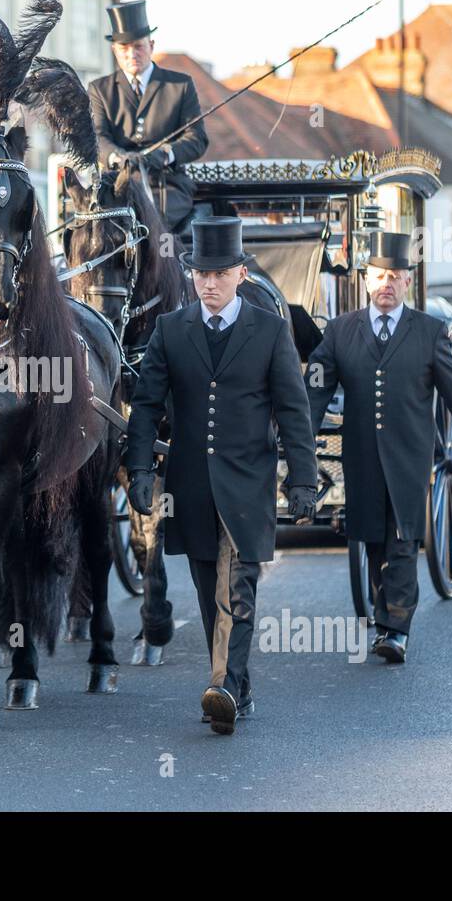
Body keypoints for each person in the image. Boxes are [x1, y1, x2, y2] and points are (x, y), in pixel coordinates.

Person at [124, 217, 318, 735]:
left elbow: (294, 410)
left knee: (237, 589)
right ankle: (238, 680)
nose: (209, 283)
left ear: (239, 275)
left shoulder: (272, 331)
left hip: (248, 485)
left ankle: (224, 688)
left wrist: (303, 478)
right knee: (209, 586)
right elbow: (145, 406)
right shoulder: (171, 329)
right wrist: (139, 467)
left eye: (219, 274)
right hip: (190, 485)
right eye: (200, 274)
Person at [304, 232, 452, 663]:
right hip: (362, 453)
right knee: (371, 536)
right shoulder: (340, 331)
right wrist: (302, 441)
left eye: (395, 276)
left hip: (410, 455)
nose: (387, 283)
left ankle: (396, 629)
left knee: (404, 537)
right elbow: (316, 389)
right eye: (379, 276)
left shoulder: (429, 332)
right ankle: (383, 614)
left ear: (408, 281)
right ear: (367, 281)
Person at [88, 0, 208, 233]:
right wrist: (117, 157)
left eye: (138, 46)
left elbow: (197, 138)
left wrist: (165, 155)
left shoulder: (180, 85)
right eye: (124, 48)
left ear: (151, 45)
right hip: (116, 185)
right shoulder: (99, 89)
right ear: (115, 50)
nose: (132, 54)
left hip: (167, 188)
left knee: (154, 224)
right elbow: (97, 137)